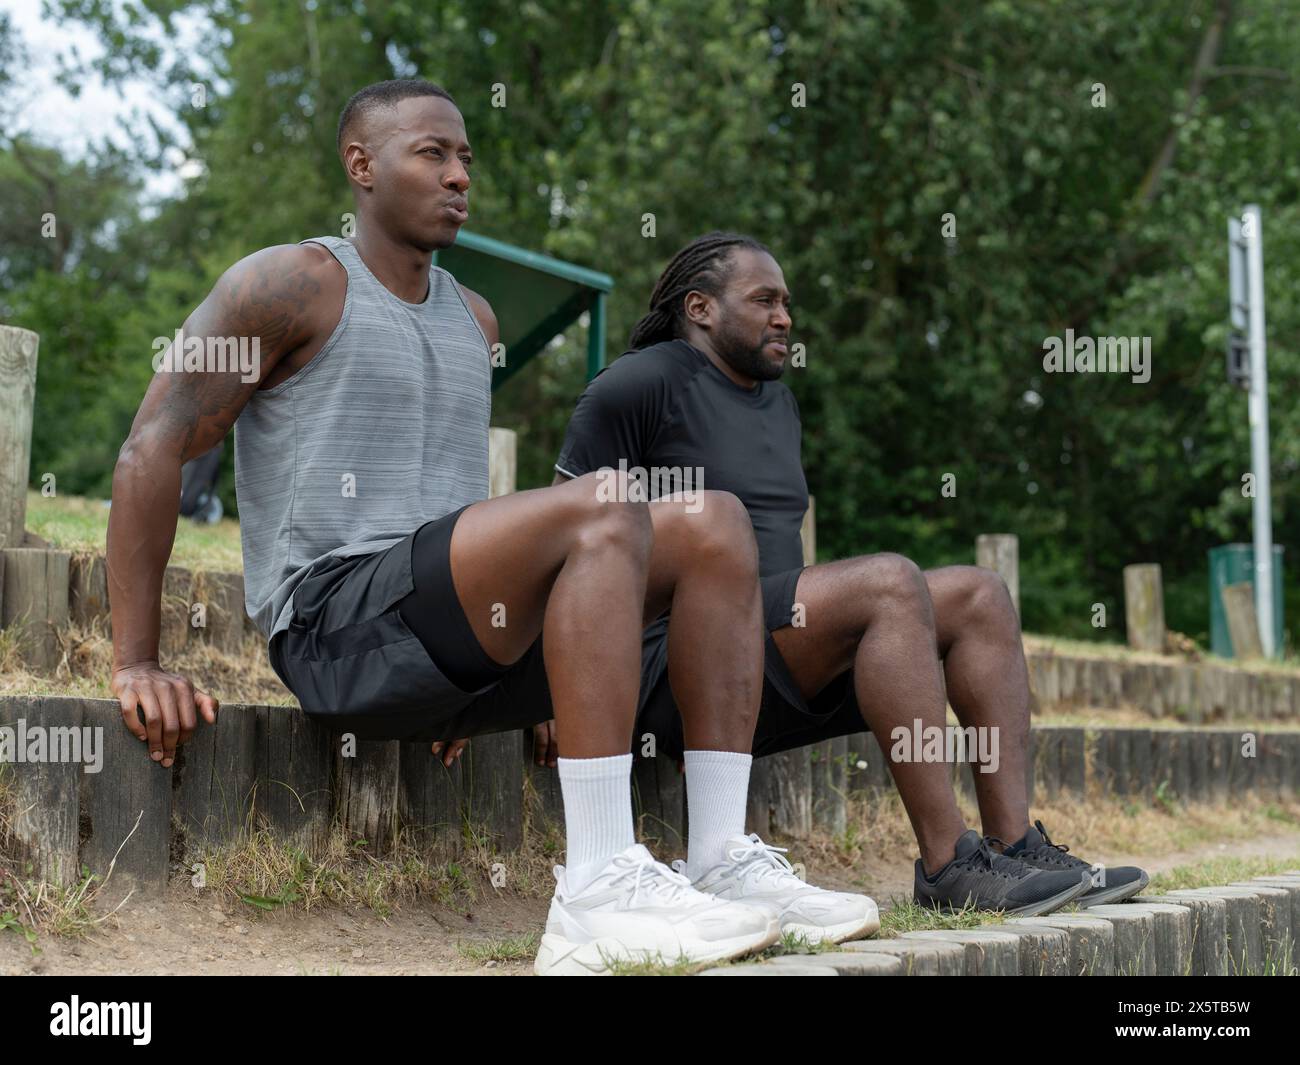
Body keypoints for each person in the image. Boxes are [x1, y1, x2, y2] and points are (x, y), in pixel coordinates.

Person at [105, 82, 871, 976]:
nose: (459, 174)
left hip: (442, 636)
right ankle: (593, 891)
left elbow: (455, 522)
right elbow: (151, 447)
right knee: (609, 500)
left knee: (717, 523)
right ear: (361, 165)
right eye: (432, 153)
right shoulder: (289, 283)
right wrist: (138, 658)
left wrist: (539, 677)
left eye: (465, 157)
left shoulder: (476, 320)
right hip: (335, 625)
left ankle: (722, 858)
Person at [545, 231, 1149, 915]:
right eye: (765, 300)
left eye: (788, 303)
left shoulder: (779, 403)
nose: (785, 318)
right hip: (665, 666)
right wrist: (542, 688)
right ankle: (948, 864)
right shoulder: (640, 383)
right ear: (700, 307)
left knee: (979, 594)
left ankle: (1013, 847)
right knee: (889, 581)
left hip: (760, 668)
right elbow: (568, 541)